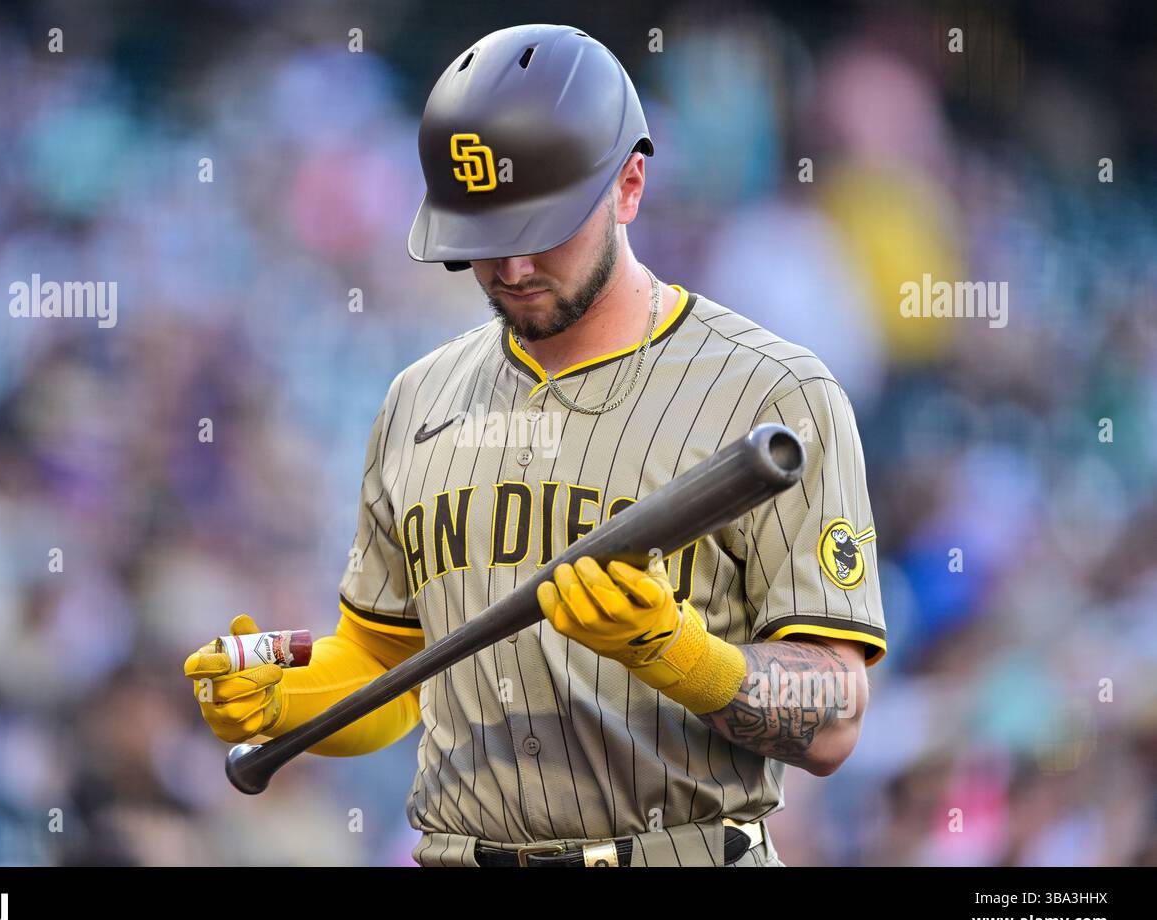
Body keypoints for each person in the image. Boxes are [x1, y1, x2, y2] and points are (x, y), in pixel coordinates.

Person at [185, 23, 886, 867]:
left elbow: (837, 717)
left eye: (542, 226)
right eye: (483, 233)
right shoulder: (418, 400)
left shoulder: (777, 392)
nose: (511, 267)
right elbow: (390, 665)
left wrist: (682, 655)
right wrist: (289, 699)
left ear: (629, 185)